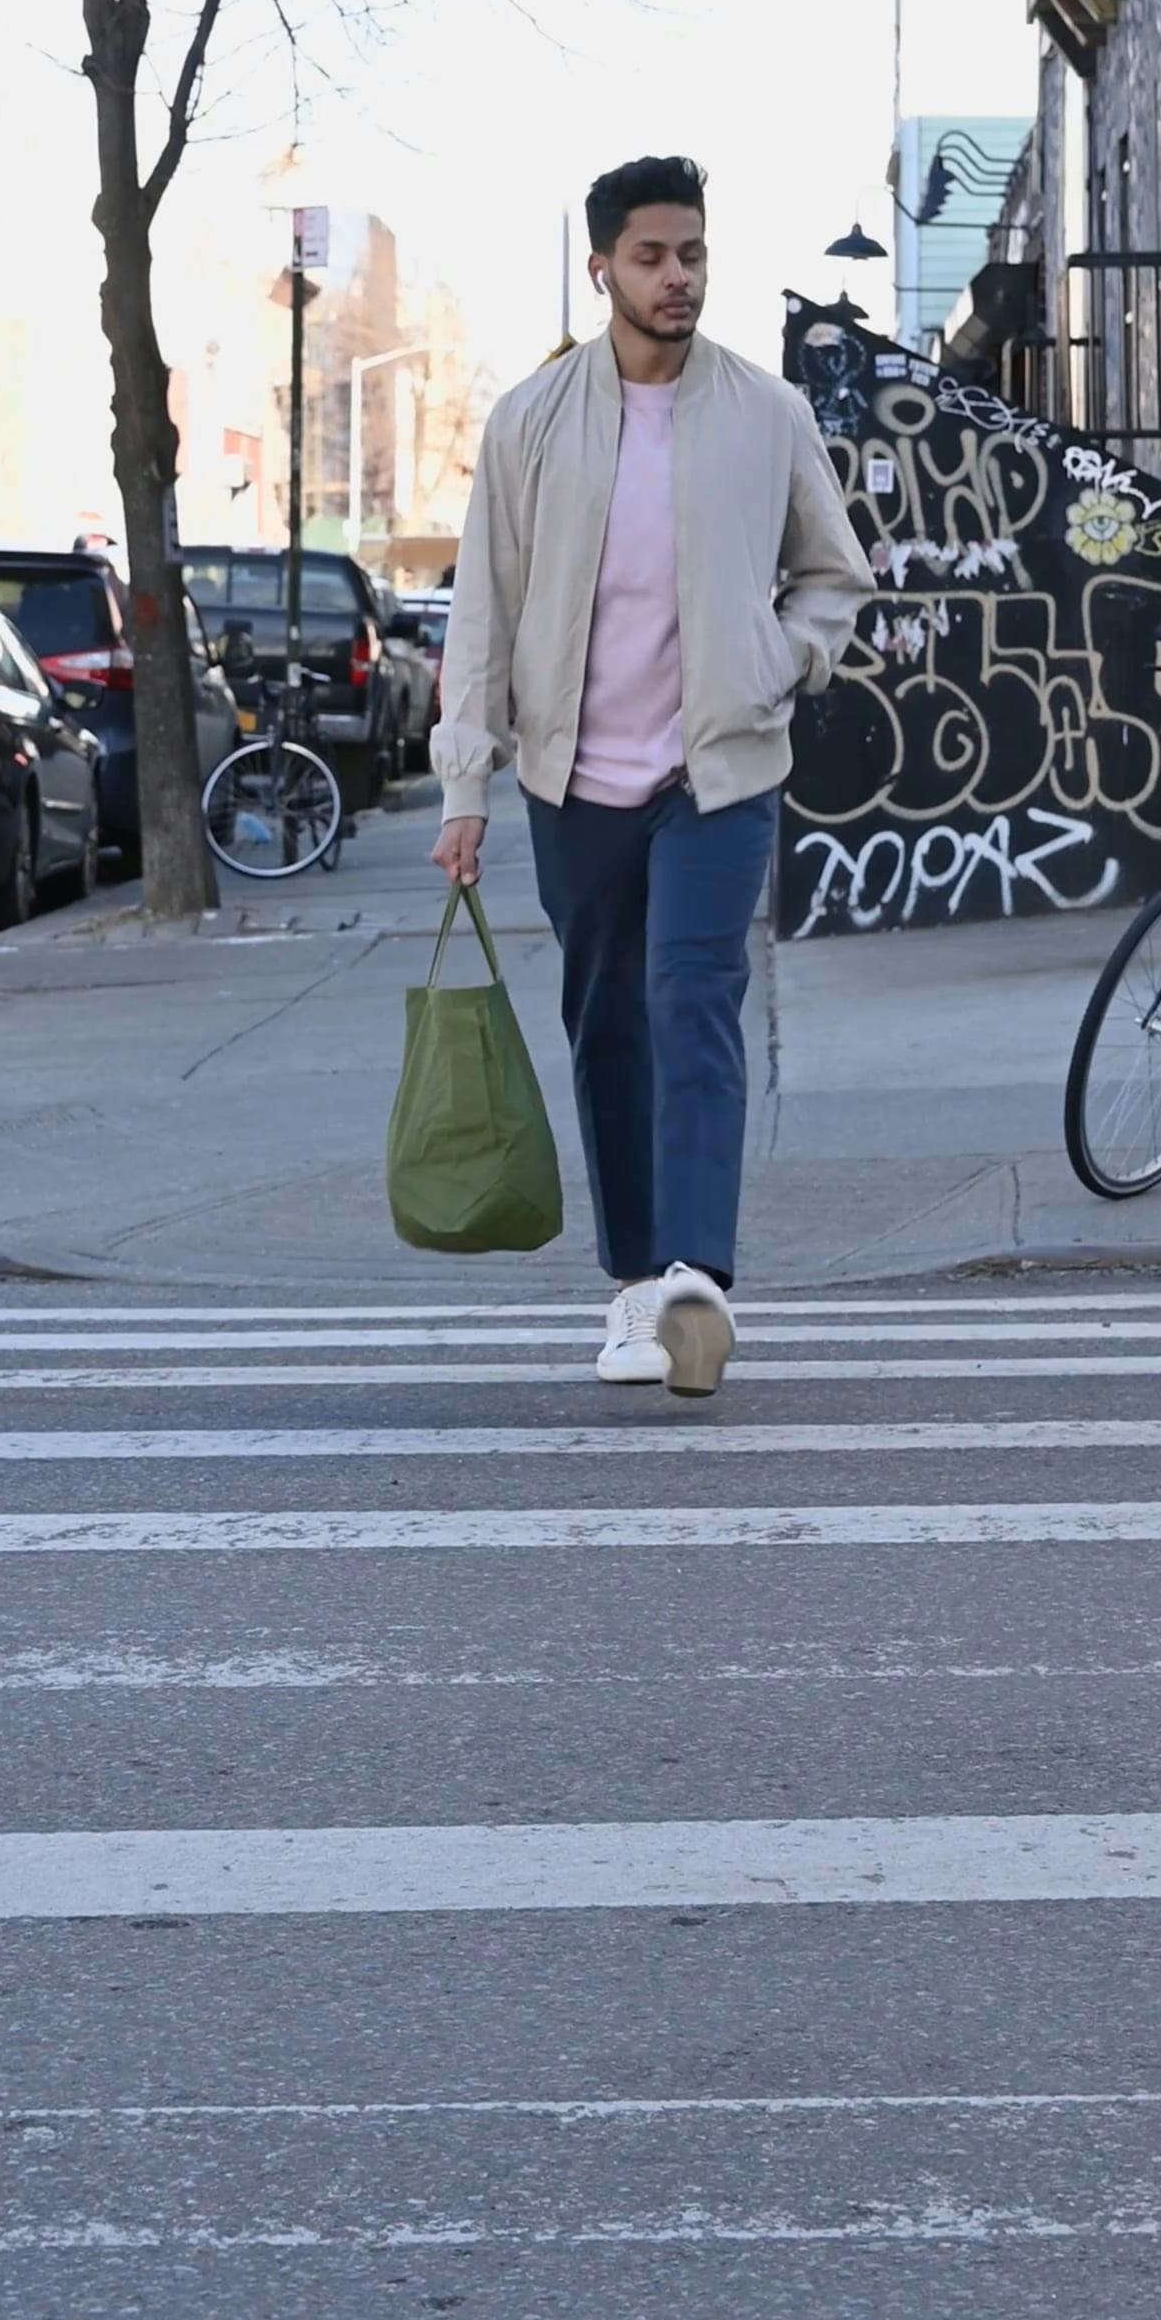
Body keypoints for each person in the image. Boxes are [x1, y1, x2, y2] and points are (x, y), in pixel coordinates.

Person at [432, 156, 870, 1397]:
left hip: (717, 771)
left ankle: (696, 1281)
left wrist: (785, 658)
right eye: (651, 258)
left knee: (694, 1002)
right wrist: (465, 786)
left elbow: (832, 572)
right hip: (573, 781)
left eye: (693, 256)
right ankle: (633, 1286)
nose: (678, 279)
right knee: (607, 1025)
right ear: (602, 268)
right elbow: (485, 611)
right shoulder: (531, 421)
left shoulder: (764, 412)